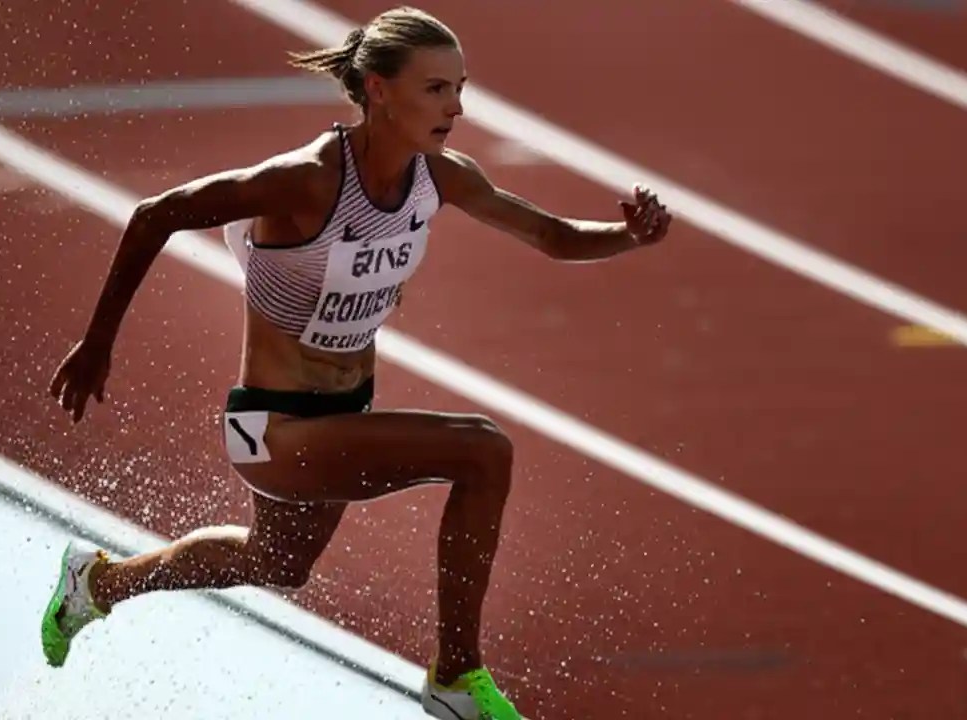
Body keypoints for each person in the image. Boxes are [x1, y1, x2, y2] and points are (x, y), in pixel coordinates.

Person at [40, 5, 671, 719]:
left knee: (275, 562)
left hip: (344, 414)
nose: (457, 107)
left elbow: (553, 237)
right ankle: (455, 676)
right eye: (436, 89)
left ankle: (95, 584)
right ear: (379, 90)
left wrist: (628, 236)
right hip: (274, 428)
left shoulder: (440, 177)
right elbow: (157, 213)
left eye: (459, 88)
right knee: (482, 451)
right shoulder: (307, 180)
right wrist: (98, 343)